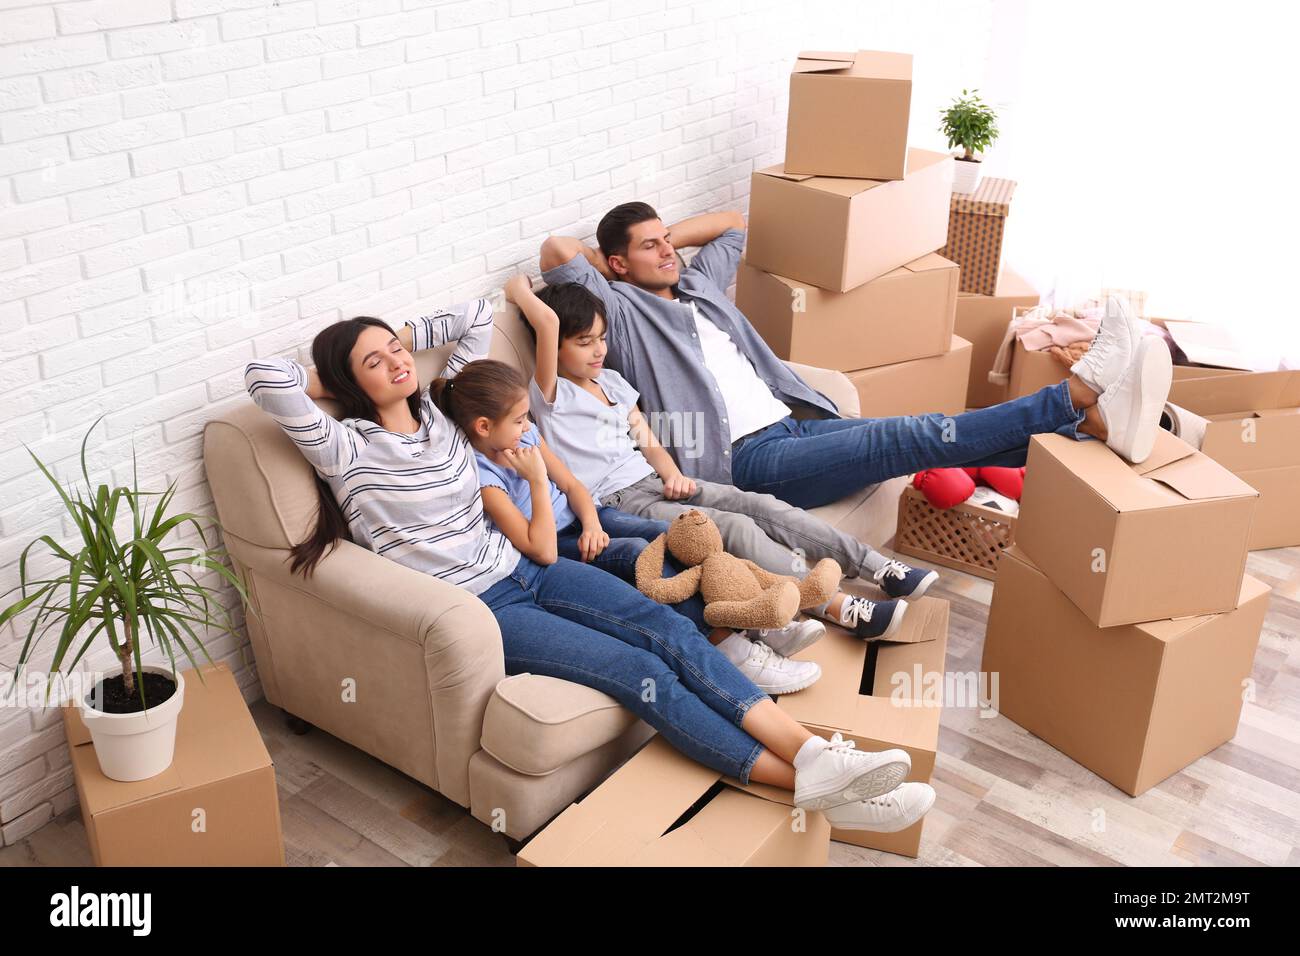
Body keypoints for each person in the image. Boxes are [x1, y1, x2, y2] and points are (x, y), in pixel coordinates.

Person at [242, 297, 936, 833]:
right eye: (375, 361)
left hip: (529, 568)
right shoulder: (345, 447)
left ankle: (817, 758)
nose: (397, 361)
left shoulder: (441, 415)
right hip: (482, 608)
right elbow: (263, 378)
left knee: (671, 632)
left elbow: (477, 316)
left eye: (397, 348)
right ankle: (808, 787)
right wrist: (330, 380)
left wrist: (398, 348)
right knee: (641, 674)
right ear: (346, 385)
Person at [538, 202, 1173, 553]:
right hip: (741, 461)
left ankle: (1088, 426)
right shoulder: (618, 310)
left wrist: (661, 240)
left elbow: (735, 221)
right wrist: (615, 267)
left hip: (795, 427)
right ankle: (1076, 393)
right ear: (616, 266)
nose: (668, 250)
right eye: (649, 247)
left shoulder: (698, 283)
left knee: (930, 434)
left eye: (667, 238)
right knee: (915, 434)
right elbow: (556, 253)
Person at [509, 274, 923, 641]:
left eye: (601, 338)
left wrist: (672, 474)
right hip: (619, 500)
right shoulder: (550, 395)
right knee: (735, 527)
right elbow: (545, 322)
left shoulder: (612, 381)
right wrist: (517, 290)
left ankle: (877, 567)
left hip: (655, 482)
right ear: (553, 346)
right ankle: (838, 606)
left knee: (761, 505)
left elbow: (647, 438)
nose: (598, 350)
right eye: (584, 342)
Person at [439, 356, 823, 695]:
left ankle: (756, 619)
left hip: (586, 520)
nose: (528, 427)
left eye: (527, 418)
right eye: (519, 420)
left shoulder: (528, 438)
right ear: (485, 427)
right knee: (640, 553)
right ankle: (730, 648)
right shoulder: (484, 476)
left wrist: (590, 522)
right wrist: (538, 481)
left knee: (675, 535)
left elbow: (572, 485)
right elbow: (540, 548)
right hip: (555, 545)